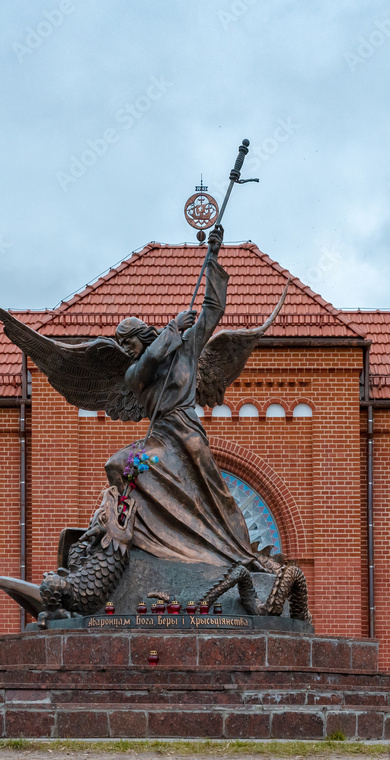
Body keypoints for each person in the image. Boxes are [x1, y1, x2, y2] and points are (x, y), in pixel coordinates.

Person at [106, 227, 260, 568]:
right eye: (119, 345)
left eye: (126, 341)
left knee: (214, 494)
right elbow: (148, 363)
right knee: (116, 464)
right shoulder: (135, 372)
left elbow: (212, 309)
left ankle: (240, 552)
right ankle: (145, 535)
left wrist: (214, 259)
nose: (124, 349)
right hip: (160, 438)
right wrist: (173, 328)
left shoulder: (186, 350)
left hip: (187, 433)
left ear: (139, 336)